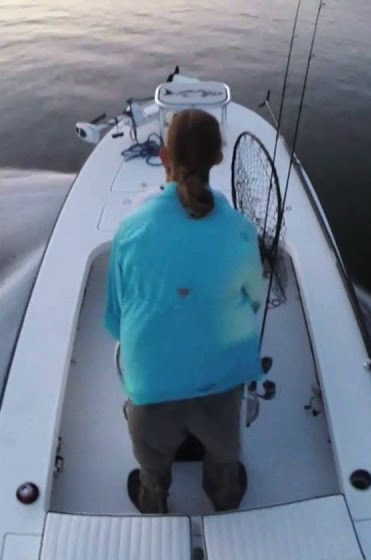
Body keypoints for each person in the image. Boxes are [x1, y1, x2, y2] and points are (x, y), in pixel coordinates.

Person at [105, 108, 266, 514]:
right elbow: (255, 299)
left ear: (164, 157)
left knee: (151, 460)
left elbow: (115, 320)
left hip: (150, 388)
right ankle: (224, 494)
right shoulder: (242, 231)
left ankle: (153, 497)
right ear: (218, 159)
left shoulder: (129, 232)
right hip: (221, 382)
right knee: (225, 453)